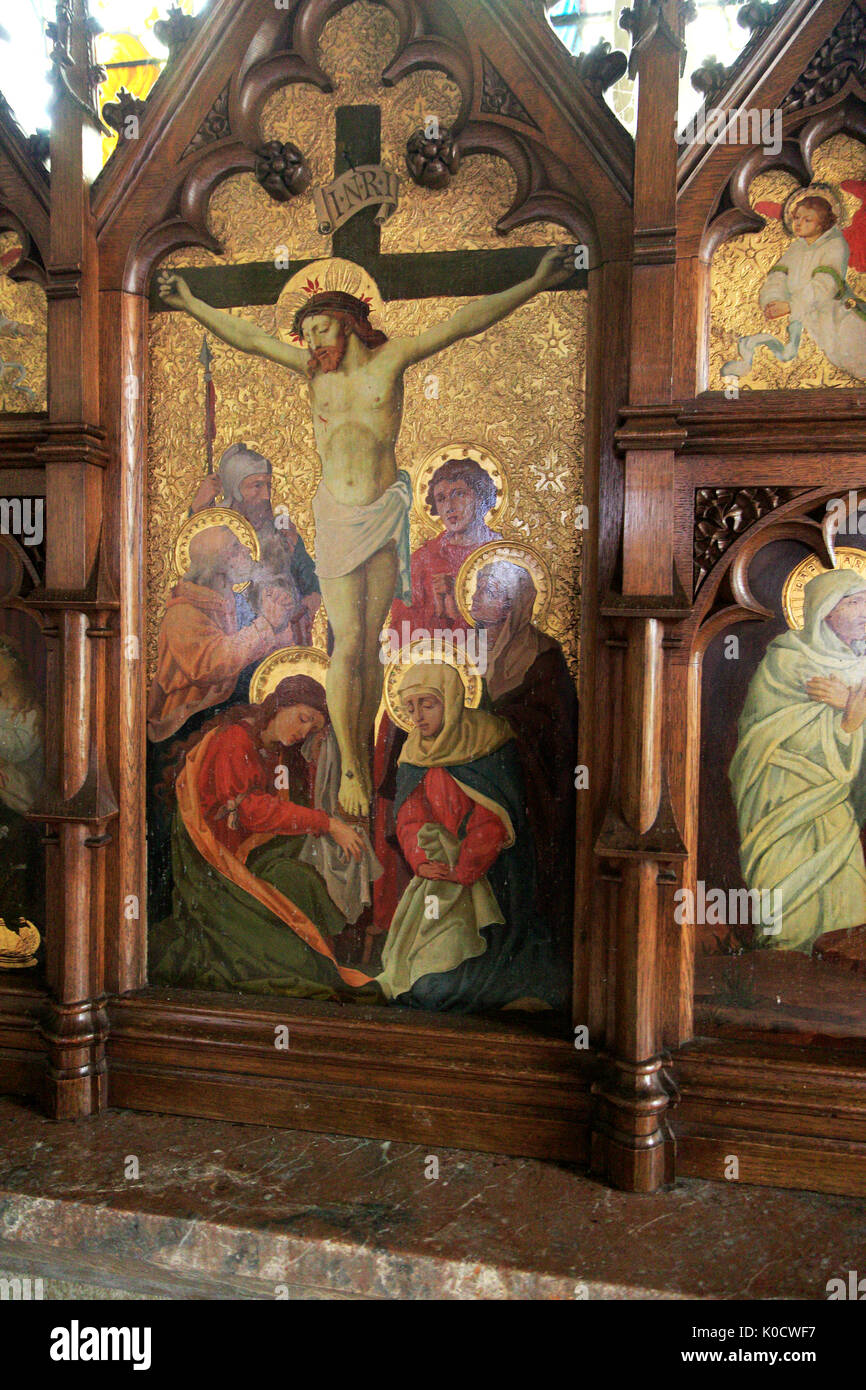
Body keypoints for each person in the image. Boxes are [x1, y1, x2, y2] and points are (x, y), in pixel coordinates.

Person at [158, 247, 574, 814]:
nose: (311, 343)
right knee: (347, 643)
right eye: (305, 334)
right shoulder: (313, 378)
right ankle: (351, 768)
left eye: (319, 328)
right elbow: (249, 340)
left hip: (383, 514)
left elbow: (462, 322)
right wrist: (188, 301)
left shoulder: (390, 361)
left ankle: (366, 765)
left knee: (371, 645)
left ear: (348, 321)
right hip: (335, 517)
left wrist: (534, 281)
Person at [149, 674, 381, 1000]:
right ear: (279, 704)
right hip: (217, 869)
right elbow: (253, 812)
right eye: (302, 719)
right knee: (286, 930)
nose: (303, 732)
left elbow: (273, 813)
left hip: (246, 856)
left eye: (312, 729)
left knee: (302, 873)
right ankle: (317, 961)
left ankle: (328, 955)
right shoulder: (234, 740)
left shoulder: (273, 751)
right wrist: (327, 824)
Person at [376, 661, 564, 1012]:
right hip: (439, 872)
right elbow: (410, 815)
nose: (417, 717)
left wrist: (463, 869)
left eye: (427, 705)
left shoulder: (490, 740)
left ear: (451, 699)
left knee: (472, 967)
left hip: (493, 872)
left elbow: (493, 817)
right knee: (419, 973)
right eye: (410, 707)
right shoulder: (414, 751)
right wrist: (423, 860)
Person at [729, 567, 866, 952]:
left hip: (833, 798)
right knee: (788, 883)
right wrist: (851, 715)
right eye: (853, 602)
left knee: (846, 883)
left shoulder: (861, 667)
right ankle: (784, 961)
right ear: (824, 609)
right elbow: (778, 735)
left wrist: (852, 712)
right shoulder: (789, 661)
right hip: (783, 795)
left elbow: (853, 733)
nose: (865, 611)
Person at [470, 559, 578, 959]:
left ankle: (518, 936)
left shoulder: (544, 655)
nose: (475, 598)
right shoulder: (467, 646)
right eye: (477, 589)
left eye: (487, 591)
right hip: (470, 768)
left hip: (523, 776)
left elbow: (558, 727)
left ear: (511, 605)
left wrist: (503, 725)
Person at [147, 524, 297, 743]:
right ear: (216, 565)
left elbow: (266, 648)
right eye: (235, 548)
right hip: (187, 722)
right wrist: (267, 624)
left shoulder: (234, 602)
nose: (246, 549)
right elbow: (213, 663)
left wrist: (280, 622)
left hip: (224, 708)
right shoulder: (182, 614)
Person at [723, 194, 866, 382]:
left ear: (822, 223)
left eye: (807, 220)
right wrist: (773, 300)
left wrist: (791, 306)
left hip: (842, 318)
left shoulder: (835, 245)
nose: (799, 224)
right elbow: (777, 277)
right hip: (815, 324)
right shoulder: (797, 248)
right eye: (797, 217)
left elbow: (825, 286)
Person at [191, 443, 320, 645]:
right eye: (257, 486)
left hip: (282, 639)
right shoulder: (216, 529)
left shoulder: (282, 530)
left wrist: (309, 601)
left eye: (268, 485)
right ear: (236, 489)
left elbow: (309, 580)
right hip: (234, 641)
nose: (266, 496)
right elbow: (195, 571)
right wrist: (198, 511)